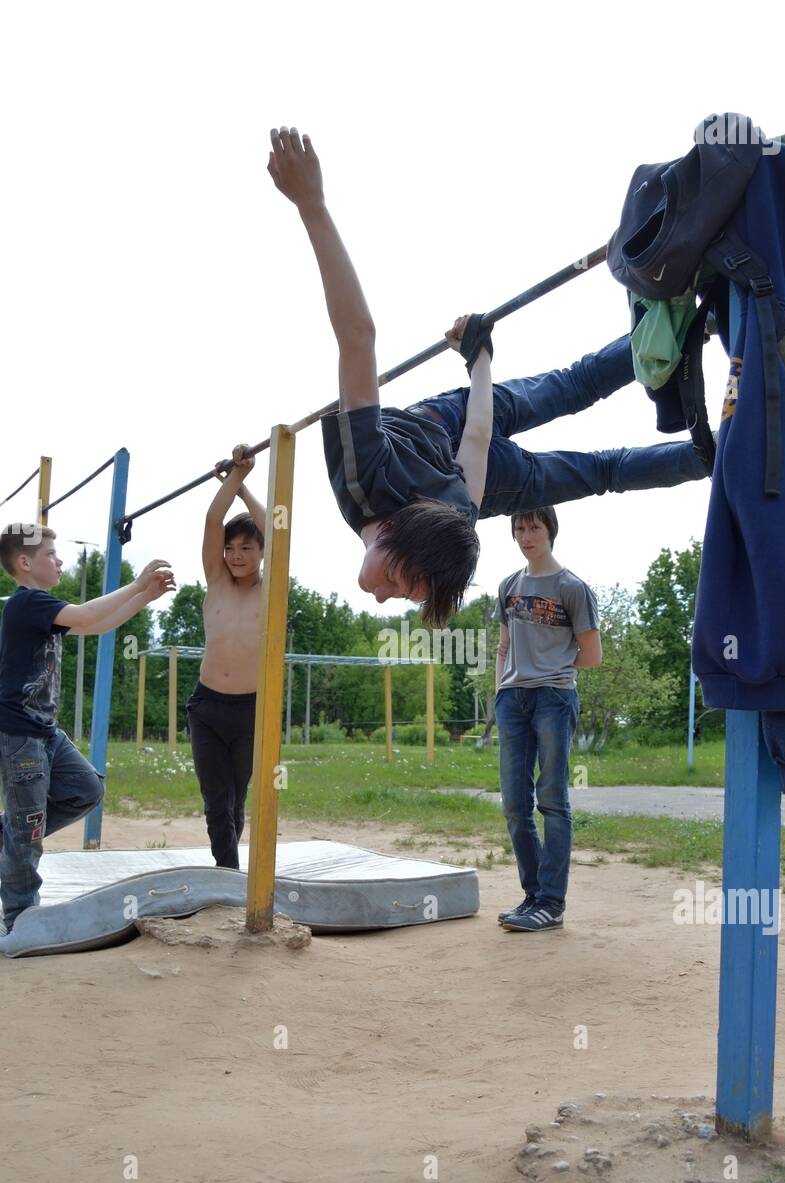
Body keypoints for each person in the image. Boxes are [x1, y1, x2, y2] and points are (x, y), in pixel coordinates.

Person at [267, 125, 710, 625]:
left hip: (447, 419)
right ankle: (710, 453)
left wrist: (480, 358)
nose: (381, 597)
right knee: (596, 465)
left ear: (393, 532)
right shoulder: (445, 519)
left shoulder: (377, 485)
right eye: (400, 589)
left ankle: (692, 325)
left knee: (573, 385)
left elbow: (361, 341)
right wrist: (478, 361)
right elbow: (471, 443)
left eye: (392, 584)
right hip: (486, 473)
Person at [0, 523, 174, 935]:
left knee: (86, 789)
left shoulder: (42, 607)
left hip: (44, 731)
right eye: (50, 554)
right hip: (20, 733)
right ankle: (19, 923)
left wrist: (144, 597)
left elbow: (96, 625)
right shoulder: (27, 604)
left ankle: (12, 833)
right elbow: (88, 614)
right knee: (27, 835)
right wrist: (134, 582)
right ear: (25, 563)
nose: (60, 560)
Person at [493, 505, 600, 932]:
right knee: (515, 806)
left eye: (534, 526)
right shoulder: (507, 586)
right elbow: (503, 646)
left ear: (550, 530)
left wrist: (549, 667)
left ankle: (552, 902)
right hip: (511, 700)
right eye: (519, 527)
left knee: (552, 801)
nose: (526, 535)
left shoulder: (572, 588)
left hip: (554, 698)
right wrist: (500, 689)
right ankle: (533, 895)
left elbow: (591, 655)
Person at [185, 451, 268, 870]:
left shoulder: (270, 590)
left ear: (261, 552)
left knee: (236, 799)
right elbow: (213, 522)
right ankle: (230, 875)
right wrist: (232, 478)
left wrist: (245, 482)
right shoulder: (216, 580)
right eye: (231, 548)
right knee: (217, 800)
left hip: (252, 710)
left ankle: (227, 871)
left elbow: (274, 527)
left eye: (246, 547)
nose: (235, 554)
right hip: (208, 707)